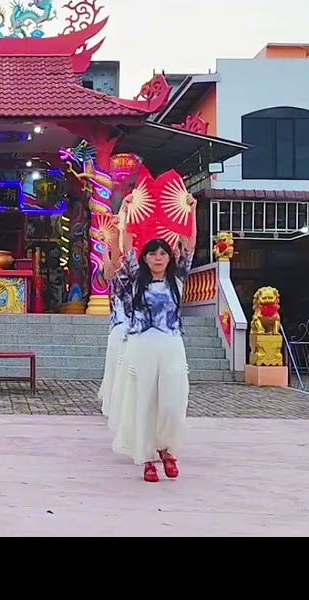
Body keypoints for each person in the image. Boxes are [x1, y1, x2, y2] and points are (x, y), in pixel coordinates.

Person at [109, 194, 197, 483]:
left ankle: (167, 448)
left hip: (172, 345)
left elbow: (191, 244)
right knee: (144, 401)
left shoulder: (178, 278)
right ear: (145, 259)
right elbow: (127, 249)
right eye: (152, 254)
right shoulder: (136, 280)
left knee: (173, 402)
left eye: (163, 254)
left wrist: (192, 212)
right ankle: (147, 457)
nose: (158, 258)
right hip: (141, 345)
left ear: (169, 258)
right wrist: (124, 217)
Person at [98, 221, 132, 417]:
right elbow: (112, 266)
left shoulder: (138, 278)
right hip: (119, 328)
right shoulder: (116, 279)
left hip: (134, 329)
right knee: (115, 369)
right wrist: (108, 243)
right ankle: (114, 407)